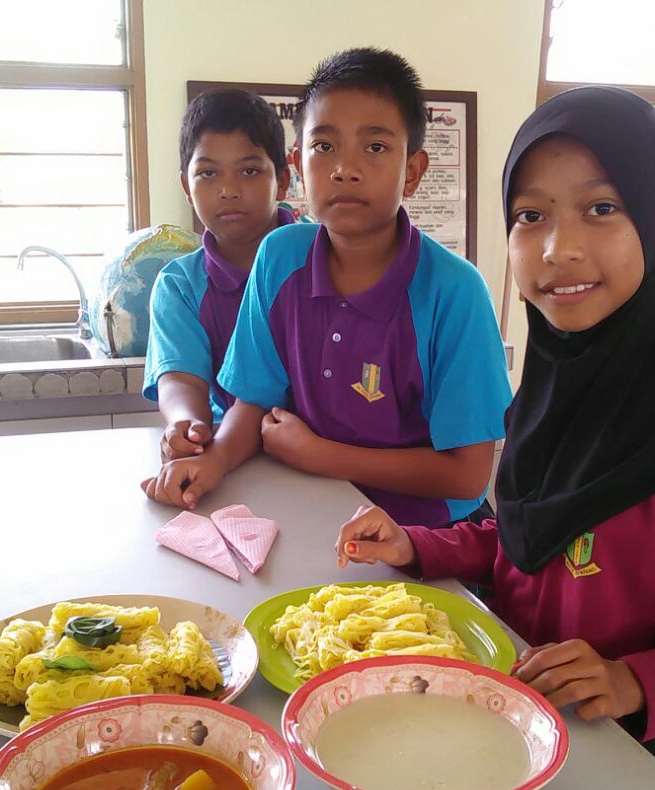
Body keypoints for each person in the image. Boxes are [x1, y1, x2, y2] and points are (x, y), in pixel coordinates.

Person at [334, 86, 655, 790]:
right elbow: (524, 541)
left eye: (601, 209)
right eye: (530, 216)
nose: (557, 248)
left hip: (652, 765)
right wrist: (419, 545)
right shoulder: (548, 388)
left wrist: (639, 678)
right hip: (518, 734)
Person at [142, 48, 511, 528]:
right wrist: (212, 462)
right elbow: (253, 401)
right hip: (315, 516)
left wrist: (323, 456)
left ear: (414, 172)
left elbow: (467, 476)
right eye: (325, 147)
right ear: (297, 165)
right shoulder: (280, 258)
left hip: (427, 537)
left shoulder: (455, 291)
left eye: (375, 147)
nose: (344, 169)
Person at [143, 89, 295, 462]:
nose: (228, 190)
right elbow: (180, 376)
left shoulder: (322, 260)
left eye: (249, 170)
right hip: (229, 458)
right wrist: (186, 424)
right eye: (208, 173)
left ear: (283, 179)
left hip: (329, 459)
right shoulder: (179, 286)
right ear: (187, 188)